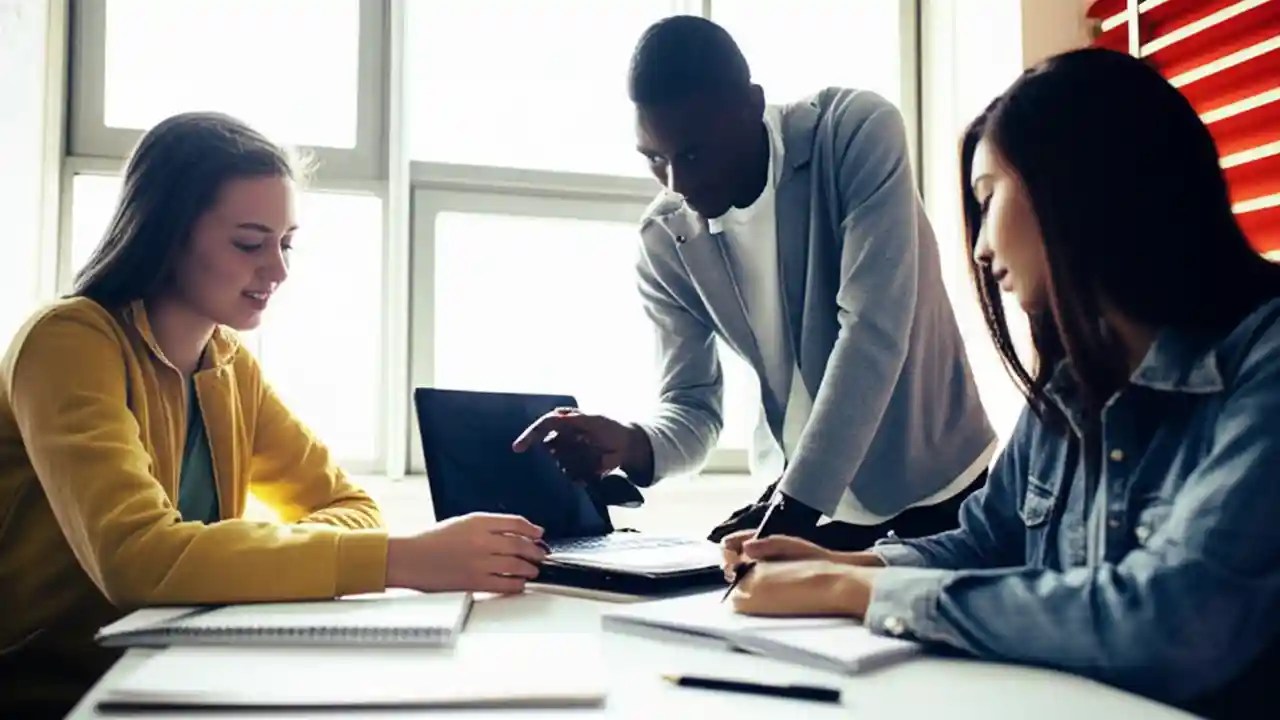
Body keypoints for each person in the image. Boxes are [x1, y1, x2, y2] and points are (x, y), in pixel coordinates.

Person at [719, 48, 1280, 718]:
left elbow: (1175, 617)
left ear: (1075, 186)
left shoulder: (1265, 361)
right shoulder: (1071, 387)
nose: (982, 248)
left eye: (988, 199)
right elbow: (986, 543)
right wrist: (847, 562)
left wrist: (851, 592)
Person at [0, 113, 546, 716]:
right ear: (166, 232)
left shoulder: (229, 364)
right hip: (51, 690)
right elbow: (138, 560)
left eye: (285, 243)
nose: (279, 271)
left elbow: (351, 507)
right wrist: (405, 559)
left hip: (172, 672)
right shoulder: (68, 343)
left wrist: (225, 560)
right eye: (249, 243)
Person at [513, 15, 994, 550]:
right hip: (806, 500)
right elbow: (693, 407)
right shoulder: (665, 240)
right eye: (654, 159)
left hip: (937, 488)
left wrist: (791, 506)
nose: (677, 183)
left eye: (692, 153)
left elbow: (872, 331)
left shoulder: (854, 133)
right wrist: (630, 444)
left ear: (751, 105)